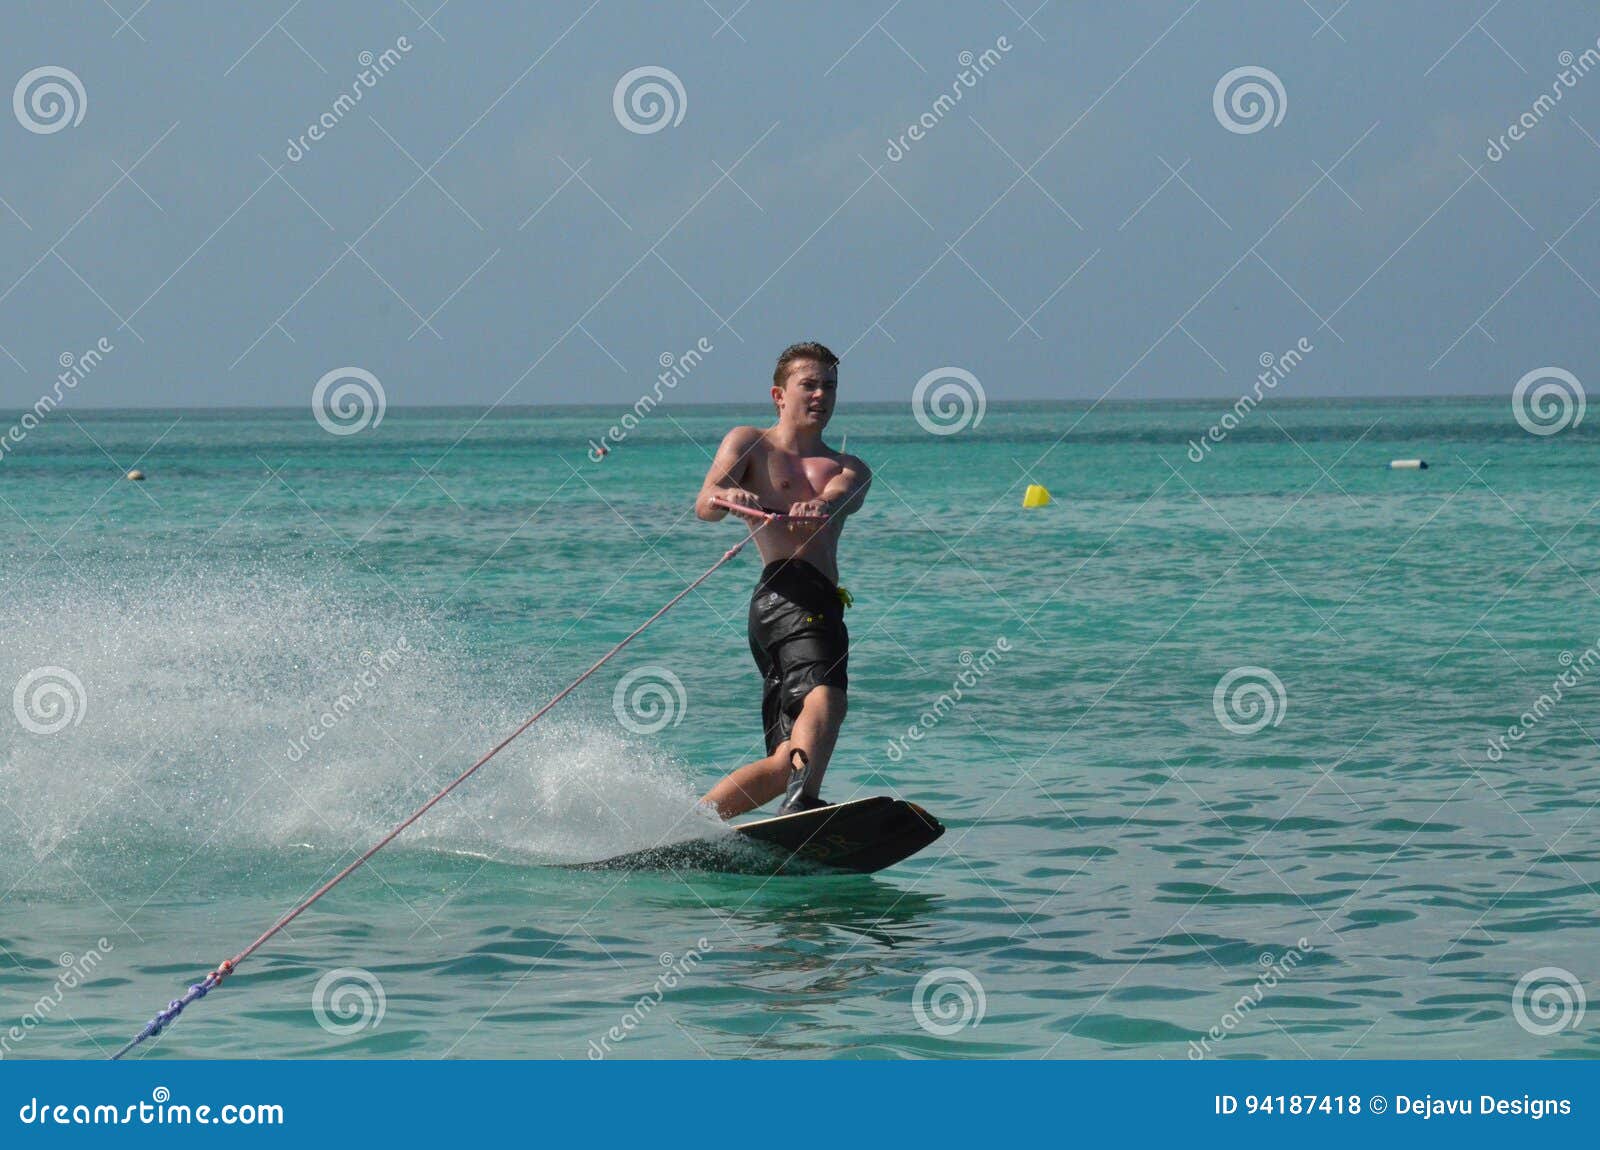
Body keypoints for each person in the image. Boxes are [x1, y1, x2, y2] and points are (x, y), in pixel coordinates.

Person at [695, 342, 871, 818]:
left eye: (829, 386)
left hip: (813, 604)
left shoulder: (848, 467)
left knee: (786, 758)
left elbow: (842, 494)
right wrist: (727, 495)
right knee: (828, 700)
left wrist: (823, 504)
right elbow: (705, 505)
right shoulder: (749, 442)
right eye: (808, 385)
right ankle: (803, 804)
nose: (821, 395)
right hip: (787, 593)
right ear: (779, 394)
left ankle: (686, 828)